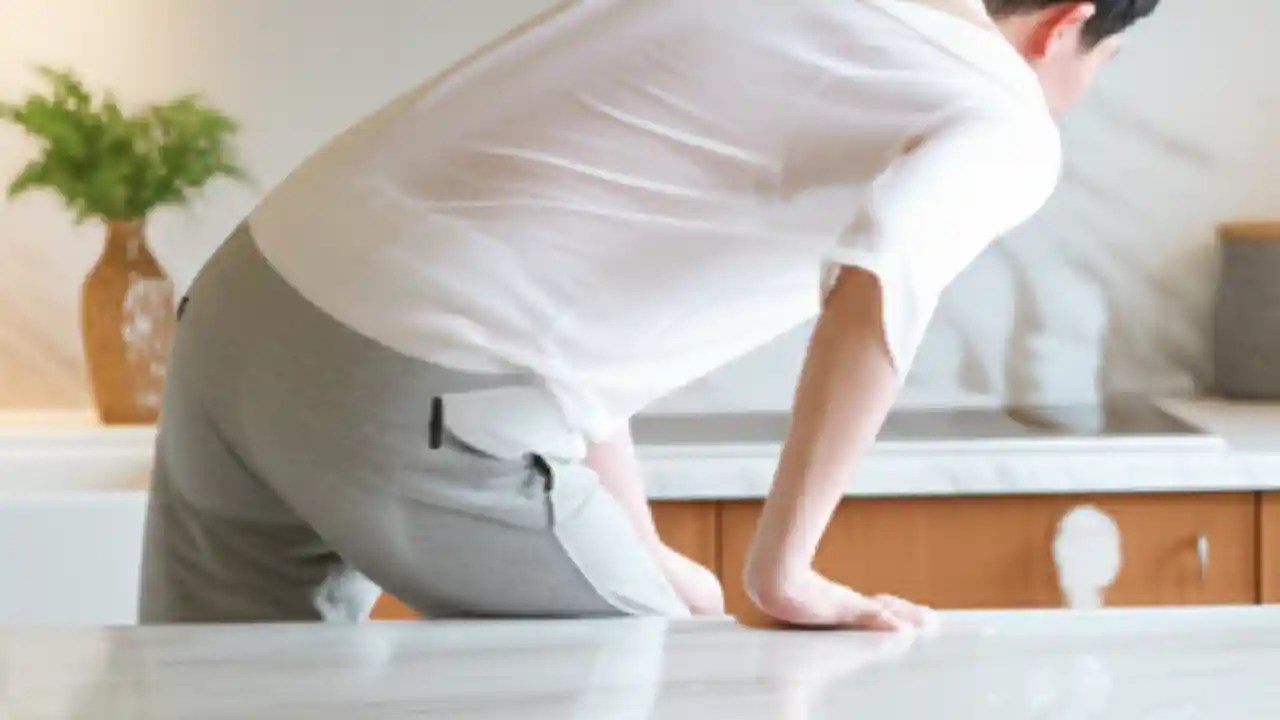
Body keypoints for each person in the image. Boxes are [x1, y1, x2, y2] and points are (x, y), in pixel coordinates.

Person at [138, 0, 1159, 629]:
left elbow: (565, 258)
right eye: (1103, 62)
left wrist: (642, 547)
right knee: (657, 678)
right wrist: (784, 571)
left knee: (217, 695)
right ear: (1065, 25)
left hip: (240, 306)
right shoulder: (1004, 108)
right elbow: (881, 281)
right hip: (408, 378)